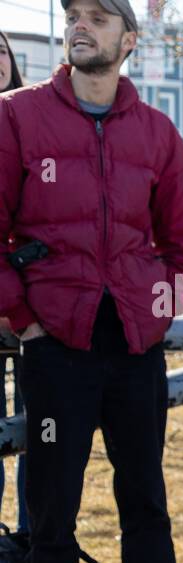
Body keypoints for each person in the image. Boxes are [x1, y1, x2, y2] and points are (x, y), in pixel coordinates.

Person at [0, 0, 183, 563]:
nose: (81, 24)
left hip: (134, 347)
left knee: (144, 500)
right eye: (73, 14)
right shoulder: (19, 117)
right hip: (55, 345)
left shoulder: (155, 131)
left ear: (128, 37)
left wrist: (160, 310)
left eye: (98, 15)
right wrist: (22, 318)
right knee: (51, 510)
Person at [0, 29, 27, 532]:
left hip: (34, 304)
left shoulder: (32, 123)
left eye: (1, 49)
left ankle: (29, 550)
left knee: (38, 435)